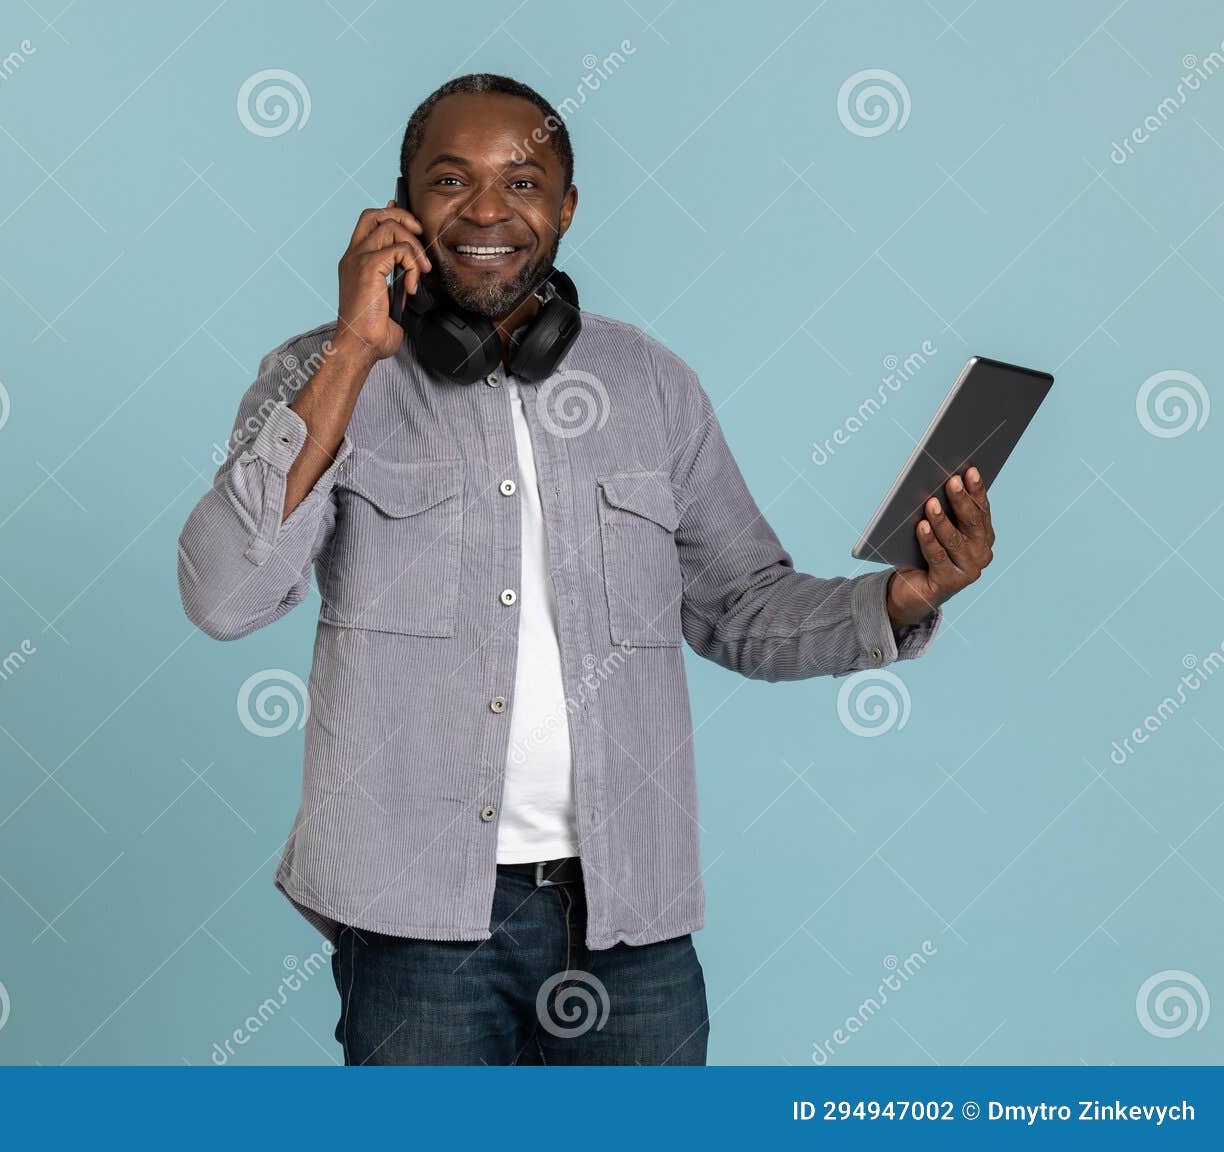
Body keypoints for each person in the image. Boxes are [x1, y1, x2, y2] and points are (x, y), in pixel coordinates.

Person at [176, 74, 995, 1065]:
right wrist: (353, 347)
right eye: (451, 180)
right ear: (399, 208)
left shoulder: (651, 386)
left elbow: (742, 606)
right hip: (411, 918)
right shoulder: (319, 379)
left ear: (565, 208)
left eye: (522, 182)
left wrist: (902, 597)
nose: (487, 210)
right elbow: (224, 596)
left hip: (627, 918)